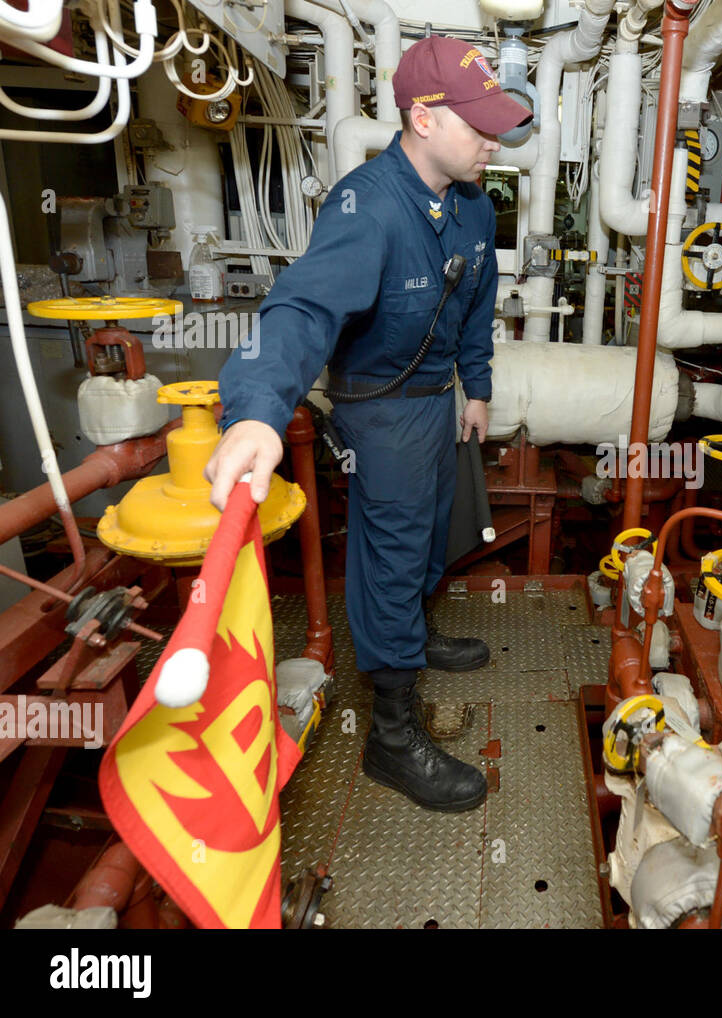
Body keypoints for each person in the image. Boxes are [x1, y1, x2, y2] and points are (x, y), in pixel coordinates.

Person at [204, 36, 531, 812]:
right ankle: (390, 736)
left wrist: (475, 389)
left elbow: (476, 306)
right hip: (379, 408)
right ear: (421, 117)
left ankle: (414, 634)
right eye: (479, 127)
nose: (493, 143)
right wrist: (256, 409)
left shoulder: (474, 204)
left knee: (429, 537)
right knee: (390, 555)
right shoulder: (365, 208)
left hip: (436, 398)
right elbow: (301, 308)